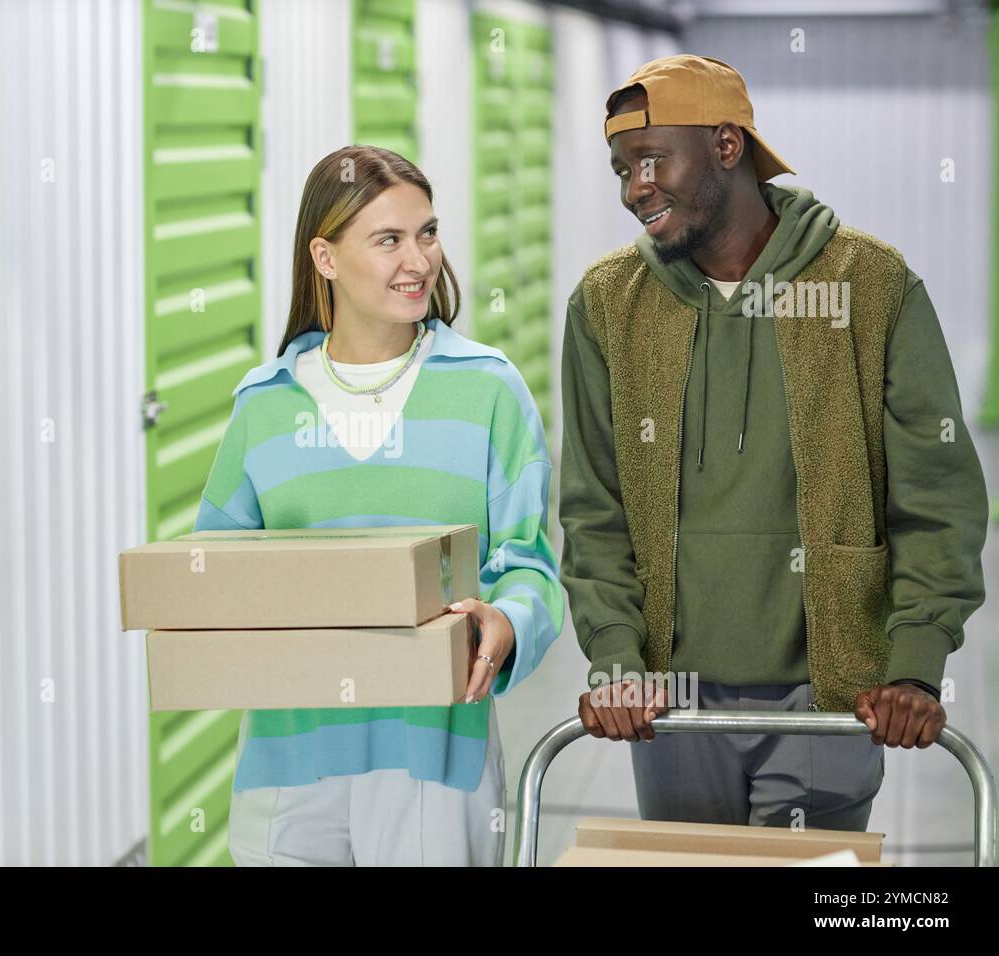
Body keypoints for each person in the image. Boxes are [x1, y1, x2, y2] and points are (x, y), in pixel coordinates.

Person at [559, 55, 987, 829]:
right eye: (622, 169)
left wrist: (916, 669)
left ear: (727, 145)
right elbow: (595, 510)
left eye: (652, 160)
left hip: (830, 693)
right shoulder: (605, 305)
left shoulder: (870, 285)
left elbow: (935, 496)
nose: (634, 188)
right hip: (669, 699)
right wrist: (618, 662)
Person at [193, 145, 565, 865]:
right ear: (325, 258)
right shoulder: (265, 404)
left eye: (427, 233)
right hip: (289, 758)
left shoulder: (487, 389)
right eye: (388, 240)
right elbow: (217, 570)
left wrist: (508, 621)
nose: (419, 261)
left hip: (435, 752)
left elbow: (530, 564)